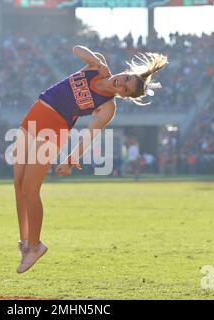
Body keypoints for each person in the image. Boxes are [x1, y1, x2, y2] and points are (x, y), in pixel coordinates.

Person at [13, 45, 168, 273]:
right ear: (124, 72)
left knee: (30, 189)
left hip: (52, 128)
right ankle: (25, 242)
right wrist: (96, 59)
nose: (121, 84)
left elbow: (90, 134)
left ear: (125, 95)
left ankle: (35, 246)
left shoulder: (107, 107)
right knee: (18, 185)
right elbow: (76, 49)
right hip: (35, 114)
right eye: (125, 78)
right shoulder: (98, 66)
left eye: (125, 88)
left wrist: (70, 158)